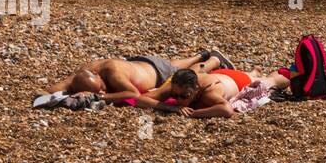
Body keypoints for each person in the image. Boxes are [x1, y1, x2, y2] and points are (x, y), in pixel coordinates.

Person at [100, 65, 293, 118]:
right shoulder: (178, 86)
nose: (178, 99)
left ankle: (293, 71)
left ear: (195, 90)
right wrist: (173, 108)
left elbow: (226, 110)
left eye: (184, 97)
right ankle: (252, 70)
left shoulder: (208, 94)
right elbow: (140, 100)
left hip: (234, 81)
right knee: (253, 73)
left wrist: (195, 113)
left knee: (271, 80)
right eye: (175, 95)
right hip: (220, 74)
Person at [41, 50, 231, 97]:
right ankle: (202, 54)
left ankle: (213, 60)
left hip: (155, 73)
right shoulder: (84, 72)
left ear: (98, 75)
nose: (103, 89)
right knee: (171, 64)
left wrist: (104, 96)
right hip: (140, 63)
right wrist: (49, 93)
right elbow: (50, 91)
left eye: (102, 86)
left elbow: (133, 95)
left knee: (183, 74)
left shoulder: (114, 76)